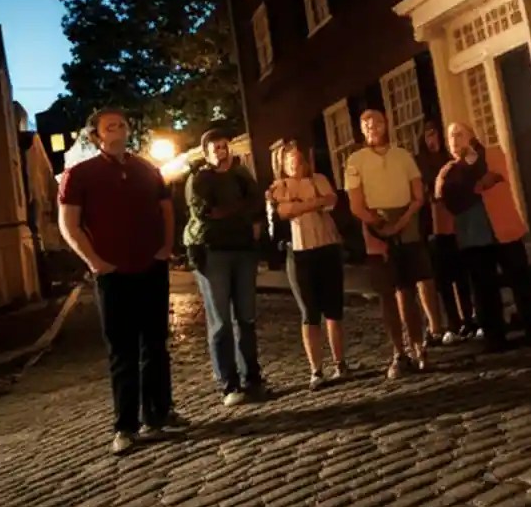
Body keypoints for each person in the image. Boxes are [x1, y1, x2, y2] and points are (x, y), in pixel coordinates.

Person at [58, 108, 188, 455]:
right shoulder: (80, 174)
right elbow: (68, 224)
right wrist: (95, 262)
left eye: (122, 125)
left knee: (156, 345)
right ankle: (126, 426)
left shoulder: (146, 169)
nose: (117, 130)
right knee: (123, 352)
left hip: (151, 267)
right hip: (113, 275)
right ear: (96, 136)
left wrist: (165, 248)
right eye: (109, 127)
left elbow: (166, 210)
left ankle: (159, 412)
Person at [437, 122, 531, 353]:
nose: (455, 140)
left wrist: (473, 184)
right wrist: (473, 185)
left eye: (460, 135)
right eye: (451, 137)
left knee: (521, 281)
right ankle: (495, 337)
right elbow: (448, 198)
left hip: (504, 230)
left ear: (472, 137)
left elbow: (490, 178)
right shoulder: (448, 172)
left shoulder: (493, 154)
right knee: (483, 289)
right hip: (473, 237)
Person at [344, 109, 430, 379]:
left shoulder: (402, 156)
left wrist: (403, 220)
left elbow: (418, 195)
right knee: (387, 293)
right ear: (361, 129)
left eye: (377, 121)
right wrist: (380, 225)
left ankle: (419, 347)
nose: (373, 127)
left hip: (406, 225)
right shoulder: (355, 161)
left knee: (408, 290)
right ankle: (398, 351)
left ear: (386, 124)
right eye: (367, 123)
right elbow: (356, 205)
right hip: (375, 228)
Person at [184, 129, 266, 406]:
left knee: (246, 317)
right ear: (206, 152)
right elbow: (205, 211)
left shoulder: (242, 175)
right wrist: (238, 210)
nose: (222, 151)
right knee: (220, 321)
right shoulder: (200, 178)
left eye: (224, 146)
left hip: (242, 250)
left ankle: (252, 377)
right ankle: (228, 383)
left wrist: (244, 215)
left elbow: (256, 203)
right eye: (215, 147)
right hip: (213, 251)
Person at [266, 141, 349, 390]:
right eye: (290, 162)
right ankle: (316, 369)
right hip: (300, 253)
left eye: (299, 160)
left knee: (334, 308)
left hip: (327, 246)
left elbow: (331, 199)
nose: (296, 165)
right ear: (282, 165)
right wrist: (313, 203)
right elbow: (282, 211)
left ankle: (340, 362)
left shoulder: (319, 178)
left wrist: (299, 204)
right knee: (309, 312)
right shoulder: (277, 187)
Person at [416, 119, 477, 343]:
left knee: (462, 275)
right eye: (428, 135)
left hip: (455, 223)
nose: (433, 139)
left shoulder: (450, 161)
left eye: (435, 134)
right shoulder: (420, 163)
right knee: (442, 279)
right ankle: (449, 323)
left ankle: (468, 318)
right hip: (432, 227)